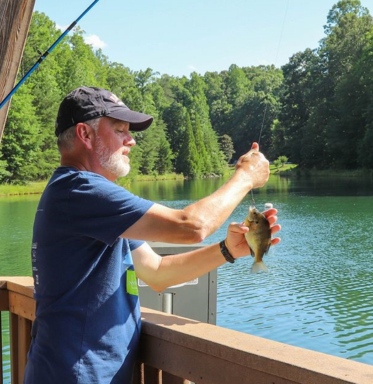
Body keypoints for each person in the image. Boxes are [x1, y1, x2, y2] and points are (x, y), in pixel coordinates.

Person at [24, 86, 282, 384]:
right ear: (85, 134)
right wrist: (245, 177)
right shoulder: (79, 190)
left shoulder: (88, 200)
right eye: (120, 130)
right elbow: (192, 225)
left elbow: (157, 272)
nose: (131, 140)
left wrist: (227, 250)